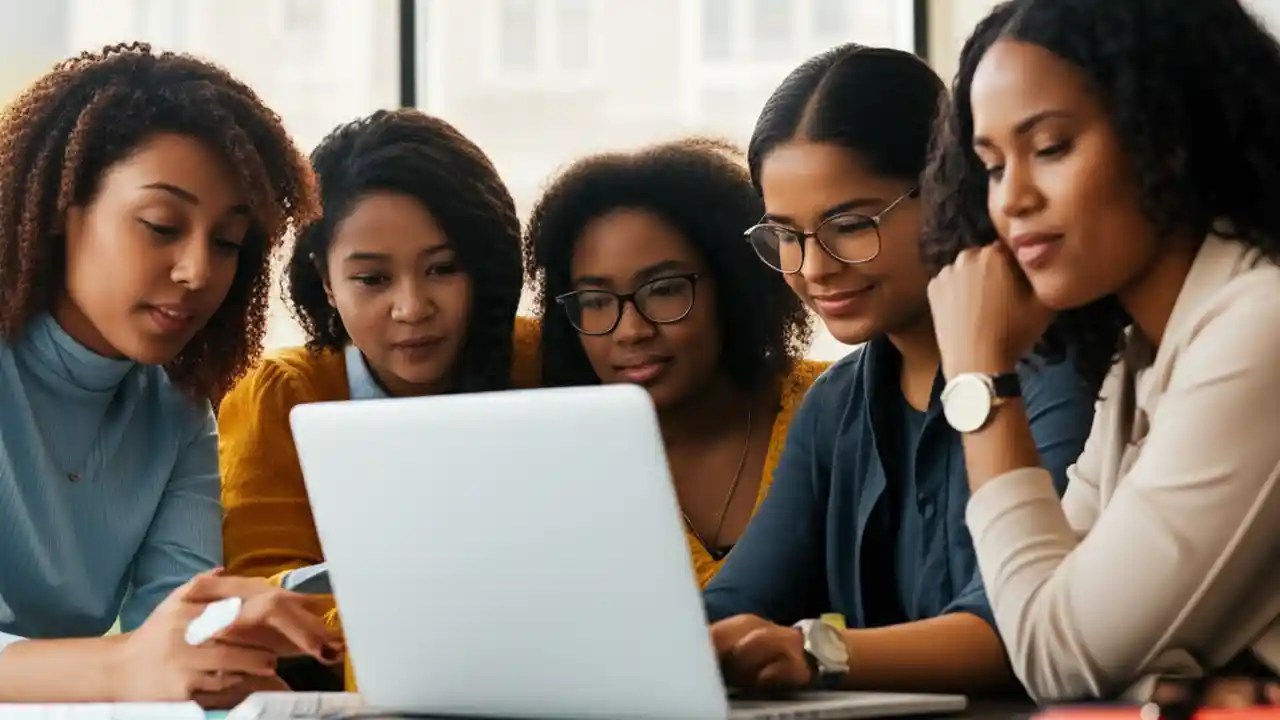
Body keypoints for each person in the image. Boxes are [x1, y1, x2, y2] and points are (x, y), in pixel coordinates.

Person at [703, 45, 1095, 695]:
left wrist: (815, 652)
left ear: (951, 193)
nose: (814, 267)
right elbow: (739, 600)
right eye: (786, 235)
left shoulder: (1061, 372)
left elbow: (1017, 627)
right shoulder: (836, 405)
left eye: (850, 225)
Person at [923, 0, 1280, 703]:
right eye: (992, 166)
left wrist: (978, 380)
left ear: (1169, 136)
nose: (1012, 200)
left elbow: (1056, 654)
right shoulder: (1140, 357)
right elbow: (1056, 608)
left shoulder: (1261, 325)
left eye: (1050, 148)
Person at [0, 43, 337, 706]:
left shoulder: (178, 414)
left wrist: (224, 636)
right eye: (161, 225)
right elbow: (138, 663)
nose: (199, 272)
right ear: (63, 211)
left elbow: (168, 641)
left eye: (227, 242)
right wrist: (125, 666)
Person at [218, 108, 533, 687]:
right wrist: (428, 627)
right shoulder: (280, 396)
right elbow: (263, 596)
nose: (412, 308)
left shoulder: (541, 360)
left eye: (443, 269)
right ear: (326, 281)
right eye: (372, 279)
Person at [525, 138, 825, 587]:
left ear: (731, 285)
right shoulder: (563, 467)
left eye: (664, 290)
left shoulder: (835, 408)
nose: (631, 330)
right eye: (595, 300)